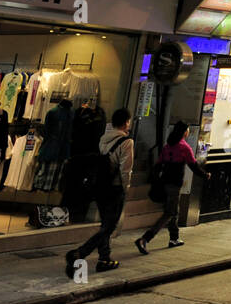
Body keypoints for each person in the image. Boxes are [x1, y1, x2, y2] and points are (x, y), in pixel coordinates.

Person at [66, 108, 133, 277]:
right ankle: (80, 253)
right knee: (109, 226)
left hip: (100, 186)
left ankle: (104, 258)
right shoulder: (126, 142)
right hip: (115, 187)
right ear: (125, 122)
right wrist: (126, 187)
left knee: (105, 223)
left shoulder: (104, 138)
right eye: (129, 121)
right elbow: (126, 169)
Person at [135, 121, 210, 253]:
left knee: (173, 210)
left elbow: (158, 165)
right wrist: (206, 175)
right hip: (174, 185)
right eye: (187, 130)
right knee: (170, 212)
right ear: (184, 132)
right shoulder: (184, 147)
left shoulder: (167, 146)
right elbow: (193, 166)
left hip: (164, 182)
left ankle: (174, 238)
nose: (188, 132)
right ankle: (145, 238)